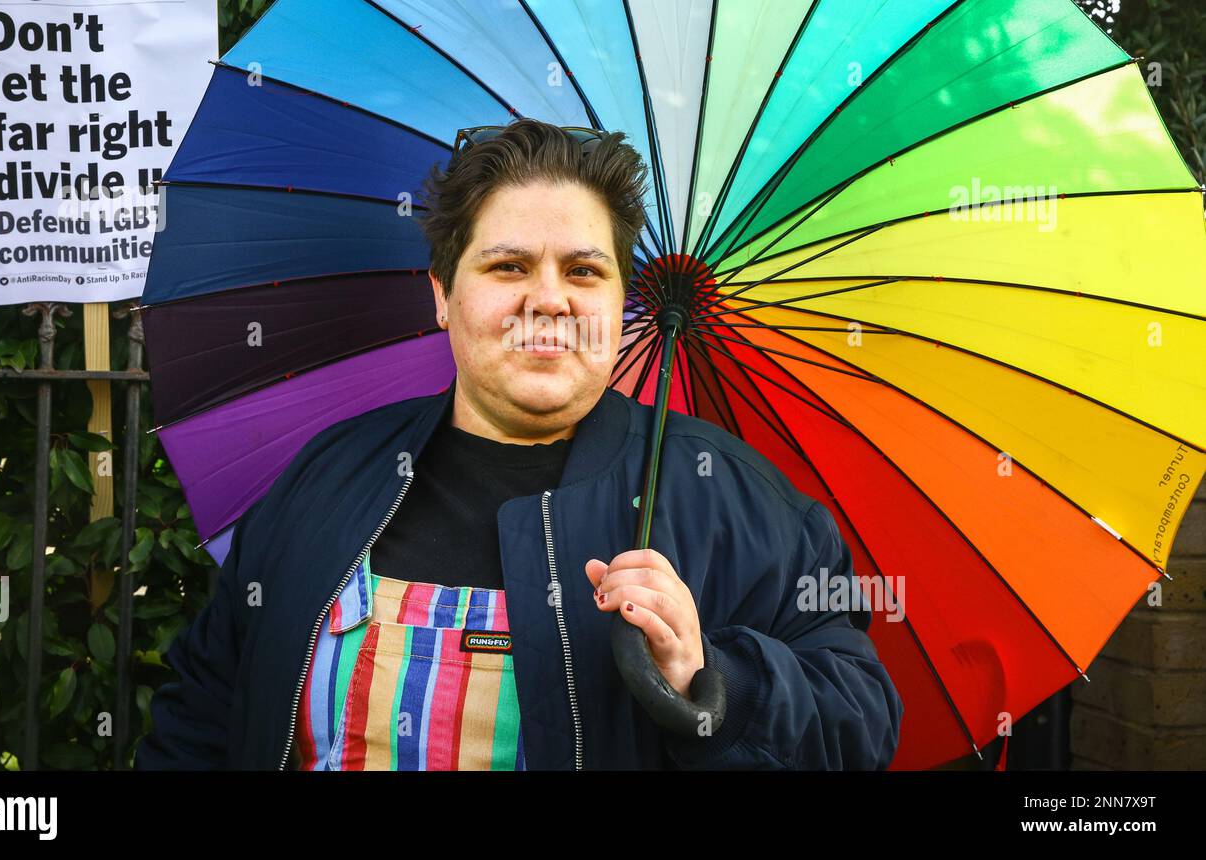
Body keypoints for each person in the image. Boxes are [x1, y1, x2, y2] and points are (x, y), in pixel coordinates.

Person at [135, 118, 903, 771]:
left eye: (584, 271)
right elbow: (203, 713)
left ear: (620, 302)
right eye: (509, 266)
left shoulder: (735, 504)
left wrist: (709, 679)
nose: (548, 299)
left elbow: (857, 727)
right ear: (443, 294)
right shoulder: (330, 478)